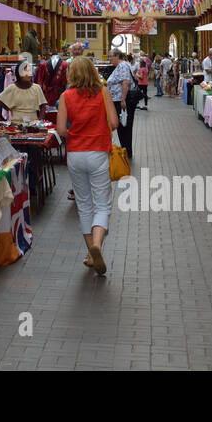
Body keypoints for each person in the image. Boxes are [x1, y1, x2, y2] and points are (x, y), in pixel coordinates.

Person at [55, 56, 120, 275]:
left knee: (84, 204)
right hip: (98, 152)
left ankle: (91, 254)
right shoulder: (103, 92)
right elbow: (114, 122)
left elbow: (62, 129)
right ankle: (97, 246)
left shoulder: (66, 96)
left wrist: (76, 132)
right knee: (102, 204)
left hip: (76, 154)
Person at [105, 48, 136, 159]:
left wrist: (123, 99)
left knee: (124, 127)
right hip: (118, 100)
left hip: (122, 101)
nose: (110, 59)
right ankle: (125, 150)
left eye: (111, 56)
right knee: (123, 127)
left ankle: (127, 151)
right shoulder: (120, 66)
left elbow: (125, 82)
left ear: (117, 56)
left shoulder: (122, 66)